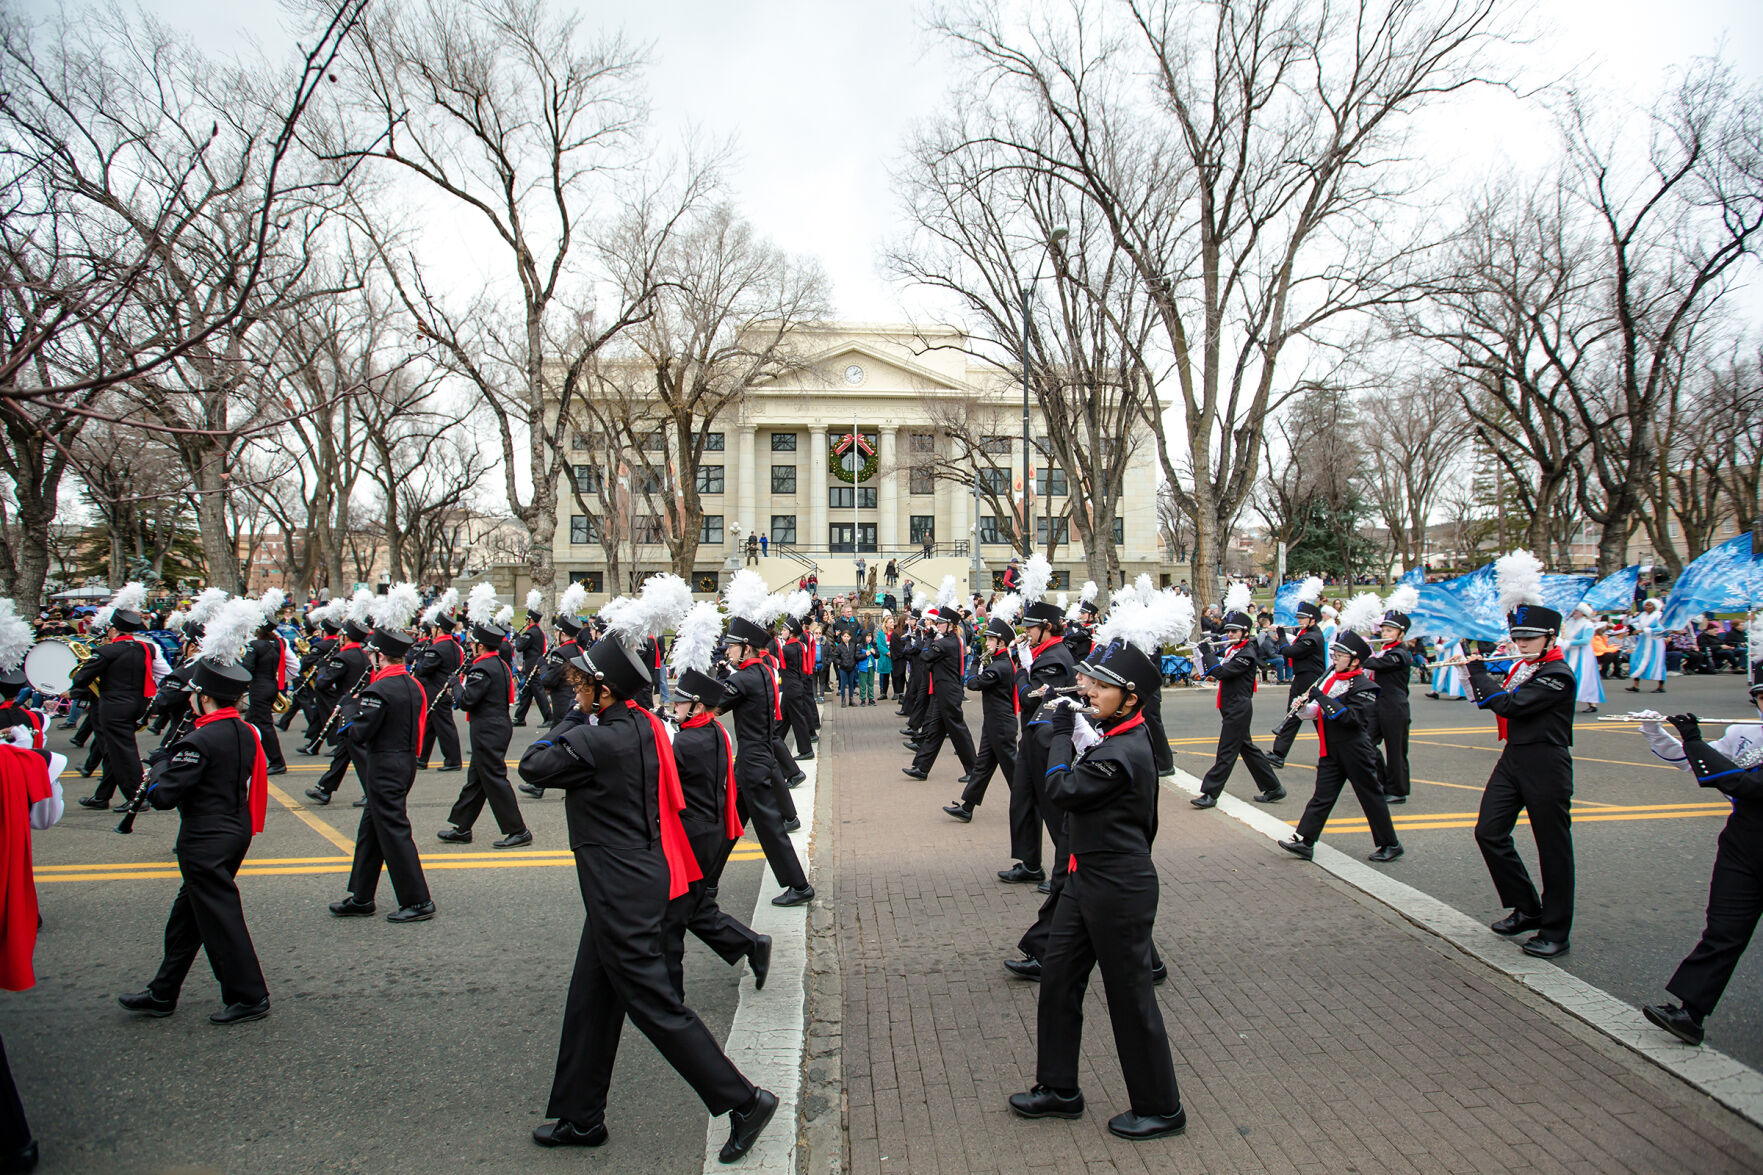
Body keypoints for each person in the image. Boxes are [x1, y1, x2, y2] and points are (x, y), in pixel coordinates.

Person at [516, 634, 778, 1160]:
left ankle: (744, 1100)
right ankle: (580, 1116)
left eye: (584, 685)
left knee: (655, 1006)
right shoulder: (640, 724)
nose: (576, 692)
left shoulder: (596, 739)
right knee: (590, 1001)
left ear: (605, 692)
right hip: (633, 882)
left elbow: (532, 765)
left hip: (622, 890)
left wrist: (570, 717)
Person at [1007, 635, 1185, 1142]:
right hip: (1087, 879)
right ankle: (1059, 1089)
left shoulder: (1124, 751)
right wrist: (1080, 728)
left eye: (1100, 685)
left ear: (1130, 698)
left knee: (1130, 998)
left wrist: (1062, 733)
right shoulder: (1117, 736)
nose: (1087, 689)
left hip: (1118, 887)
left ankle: (1161, 1106)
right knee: (1059, 981)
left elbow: (1063, 790)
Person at [119, 606, 271, 1024]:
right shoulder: (243, 728)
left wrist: (162, 763)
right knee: (187, 919)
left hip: (206, 836)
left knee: (220, 920)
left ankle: (249, 996)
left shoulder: (200, 739)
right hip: (232, 827)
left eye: (193, 693)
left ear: (204, 696)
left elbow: (164, 796)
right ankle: (163, 991)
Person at [1636, 683, 1763, 1045]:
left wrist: (1695, 741)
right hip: (1743, 840)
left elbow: (1745, 785)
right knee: (1724, 929)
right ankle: (1691, 1012)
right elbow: (1689, 762)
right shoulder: (1744, 733)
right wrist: (1655, 731)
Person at [1467, 590, 1577, 960]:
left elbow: (1510, 705)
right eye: (1517, 637)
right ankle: (1528, 908)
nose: (1521, 643)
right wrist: (1472, 672)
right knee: (1489, 831)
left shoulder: (1558, 674)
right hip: (1514, 757)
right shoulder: (1523, 668)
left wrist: (1479, 671)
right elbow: (1487, 700)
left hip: (1546, 762)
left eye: (1529, 637)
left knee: (1553, 849)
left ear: (1550, 638)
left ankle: (1556, 930)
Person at [327, 602, 436, 923]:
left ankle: (418, 900)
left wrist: (348, 710)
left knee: (394, 832)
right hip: (403, 762)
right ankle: (362, 896)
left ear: (380, 655)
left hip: (385, 766)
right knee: (371, 830)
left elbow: (360, 734)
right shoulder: (412, 683)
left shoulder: (378, 689)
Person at [666, 666, 770, 998]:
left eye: (681, 704)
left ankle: (670, 992)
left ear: (697, 706)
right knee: (692, 908)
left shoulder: (683, 744)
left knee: (673, 915)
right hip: (710, 833)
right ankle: (751, 945)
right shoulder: (713, 731)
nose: (674, 708)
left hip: (691, 839)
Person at [716, 603, 813, 908]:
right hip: (757, 758)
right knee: (727, 825)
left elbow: (713, 707)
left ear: (747, 648)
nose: (727, 651)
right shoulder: (760, 670)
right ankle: (706, 881)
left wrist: (713, 678)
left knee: (769, 830)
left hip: (752, 762)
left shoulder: (741, 679)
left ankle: (799, 886)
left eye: (732, 647)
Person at [1278, 629, 1404, 862]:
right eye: (1334, 655)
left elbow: (1350, 718)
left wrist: (1322, 698)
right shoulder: (1332, 680)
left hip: (1356, 750)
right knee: (1322, 796)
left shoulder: (1365, 687)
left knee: (1371, 797)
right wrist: (1303, 707)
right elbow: (1318, 712)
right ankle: (1306, 841)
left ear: (1355, 660)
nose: (1334, 659)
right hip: (1332, 749)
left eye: (1339, 656)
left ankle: (1391, 843)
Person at [438, 614, 531, 848]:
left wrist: (456, 685)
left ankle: (518, 830)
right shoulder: (496, 663)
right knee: (476, 780)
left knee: (494, 780)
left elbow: (468, 701)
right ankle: (462, 826)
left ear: (480, 645)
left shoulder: (483, 669)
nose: (470, 646)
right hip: (495, 726)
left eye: (472, 643)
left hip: (488, 729)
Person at [70, 584, 156, 811]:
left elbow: (82, 678)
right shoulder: (145, 648)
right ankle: (102, 796)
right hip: (137, 704)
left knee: (124, 753)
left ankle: (137, 797)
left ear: (113, 630)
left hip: (113, 707)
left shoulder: (107, 651)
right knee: (114, 751)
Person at [1190, 607, 1284, 808]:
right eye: (1228, 631)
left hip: (1239, 707)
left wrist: (1208, 653)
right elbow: (1212, 671)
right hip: (1230, 705)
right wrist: (1203, 654)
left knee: (1226, 751)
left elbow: (1221, 672)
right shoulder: (1234, 649)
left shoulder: (1247, 653)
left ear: (1245, 633)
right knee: (1247, 749)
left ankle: (1210, 793)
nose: (1230, 634)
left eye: (1234, 632)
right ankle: (1274, 788)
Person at [945, 605, 1019, 824]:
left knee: (1013, 771)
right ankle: (967, 807)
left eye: (990, 640)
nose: (986, 644)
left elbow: (972, 684)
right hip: (994, 723)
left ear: (1001, 643)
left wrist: (975, 663)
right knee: (982, 767)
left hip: (1002, 725)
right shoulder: (999, 662)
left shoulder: (1000, 666)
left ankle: (1031, 803)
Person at [902, 606, 978, 781]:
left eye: (941, 623)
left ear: (950, 625)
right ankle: (921, 768)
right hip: (942, 691)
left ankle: (974, 769)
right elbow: (929, 663)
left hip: (948, 693)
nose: (938, 625)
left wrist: (928, 639)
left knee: (959, 731)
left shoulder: (946, 643)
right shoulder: (951, 640)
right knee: (934, 731)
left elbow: (925, 657)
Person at [304, 614, 372, 804]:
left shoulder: (342, 657)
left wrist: (323, 668)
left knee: (358, 753)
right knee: (344, 751)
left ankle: (372, 792)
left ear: (346, 636)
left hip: (348, 707)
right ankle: (325, 788)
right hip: (360, 705)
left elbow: (323, 684)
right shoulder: (364, 656)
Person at [1361, 605, 1415, 804]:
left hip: (1394, 706)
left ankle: (1398, 790)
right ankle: (1382, 781)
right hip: (1377, 705)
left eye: (1390, 630)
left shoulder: (1400, 653)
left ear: (1401, 634)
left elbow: (1377, 664)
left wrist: (1363, 654)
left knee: (1396, 750)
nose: (1385, 633)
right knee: (1365, 743)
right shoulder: (1384, 650)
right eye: (1384, 630)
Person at [413, 611, 464, 772]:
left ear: (439, 629)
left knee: (444, 725)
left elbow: (423, 670)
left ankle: (453, 759)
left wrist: (419, 660)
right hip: (443, 689)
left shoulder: (436, 648)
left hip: (436, 691)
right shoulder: (454, 646)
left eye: (434, 628)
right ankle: (422, 758)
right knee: (430, 725)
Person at [243, 608, 289, 777]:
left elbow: (247, 668)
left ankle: (277, 762)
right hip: (272, 684)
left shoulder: (255, 645)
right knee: (249, 722)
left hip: (259, 687)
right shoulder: (280, 643)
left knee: (264, 725)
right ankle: (248, 756)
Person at [511, 596, 553, 727]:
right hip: (534, 662)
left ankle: (548, 717)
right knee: (527, 691)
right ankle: (520, 717)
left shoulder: (530, 633)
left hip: (531, 663)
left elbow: (520, 647)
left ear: (530, 619)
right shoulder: (538, 632)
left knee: (538, 691)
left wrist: (518, 638)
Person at [1561, 603, 1605, 714]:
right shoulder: (1569, 623)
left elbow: (1586, 640)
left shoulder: (1587, 624)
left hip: (1583, 655)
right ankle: (1566, 702)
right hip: (1569, 652)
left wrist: (1569, 643)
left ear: (1583, 612)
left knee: (1584, 677)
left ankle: (1592, 703)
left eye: (1576, 611)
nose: (1574, 612)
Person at [1625, 598, 1667, 694]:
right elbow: (1628, 623)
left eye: (1650, 605)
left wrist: (1643, 630)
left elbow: (1661, 628)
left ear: (1655, 606)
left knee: (1657, 662)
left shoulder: (1658, 616)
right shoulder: (1642, 615)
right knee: (1636, 660)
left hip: (1655, 642)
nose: (1647, 607)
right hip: (1643, 641)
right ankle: (1636, 685)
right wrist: (1628, 616)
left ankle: (1661, 686)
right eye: (1646, 605)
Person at [833, 630, 859, 706]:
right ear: (841, 637)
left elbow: (855, 655)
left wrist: (854, 663)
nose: (846, 638)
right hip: (843, 669)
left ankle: (851, 700)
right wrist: (840, 662)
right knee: (843, 685)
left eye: (848, 636)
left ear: (850, 637)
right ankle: (843, 700)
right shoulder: (839, 646)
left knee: (851, 684)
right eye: (844, 636)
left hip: (851, 668)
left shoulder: (852, 645)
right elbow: (835, 657)